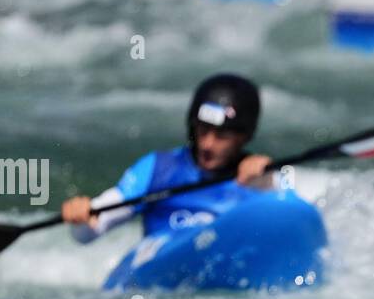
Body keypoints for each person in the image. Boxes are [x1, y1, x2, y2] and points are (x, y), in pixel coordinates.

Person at [60, 74, 275, 242]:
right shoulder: (159, 167)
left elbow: (287, 222)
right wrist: (82, 219)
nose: (208, 144)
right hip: (162, 263)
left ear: (243, 138)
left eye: (221, 136)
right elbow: (91, 232)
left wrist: (265, 183)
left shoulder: (258, 174)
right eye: (202, 131)